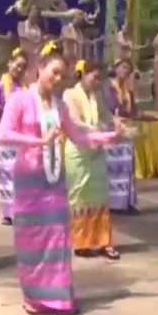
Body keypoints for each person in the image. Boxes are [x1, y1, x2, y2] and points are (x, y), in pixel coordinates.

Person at [0, 42, 121, 315]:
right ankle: (32, 296)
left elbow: (79, 137)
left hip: (54, 182)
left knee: (57, 237)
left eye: (61, 75)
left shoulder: (59, 105)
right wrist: (38, 141)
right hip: (30, 182)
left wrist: (111, 136)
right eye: (53, 72)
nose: (56, 79)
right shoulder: (20, 99)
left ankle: (58, 296)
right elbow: (4, 134)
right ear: (39, 69)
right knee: (32, 239)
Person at [63, 60, 121, 261]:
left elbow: (106, 116)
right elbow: (74, 121)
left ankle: (104, 241)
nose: (97, 82)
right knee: (80, 196)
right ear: (83, 74)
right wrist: (97, 130)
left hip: (96, 149)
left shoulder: (97, 95)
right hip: (78, 150)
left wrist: (117, 124)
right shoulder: (70, 94)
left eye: (100, 79)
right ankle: (82, 242)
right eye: (95, 77)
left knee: (100, 195)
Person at [0, 48, 29, 226]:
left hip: (20, 133)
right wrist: (9, 106)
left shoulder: (25, 88)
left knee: (20, 172)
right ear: (9, 63)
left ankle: (21, 209)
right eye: (17, 65)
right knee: (6, 172)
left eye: (23, 67)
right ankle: (7, 213)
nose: (19, 69)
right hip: (4, 130)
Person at [106, 59, 140, 213]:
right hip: (114, 128)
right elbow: (110, 107)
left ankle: (128, 202)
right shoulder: (108, 88)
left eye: (128, 69)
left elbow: (133, 109)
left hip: (128, 129)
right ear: (116, 68)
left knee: (128, 168)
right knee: (115, 169)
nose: (125, 71)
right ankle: (114, 204)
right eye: (123, 67)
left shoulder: (129, 89)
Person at [18, 4, 45, 84]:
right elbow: (23, 38)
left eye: (36, 15)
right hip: (25, 55)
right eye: (33, 13)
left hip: (35, 58)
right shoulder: (21, 25)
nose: (34, 16)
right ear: (28, 13)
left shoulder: (38, 29)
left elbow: (41, 42)